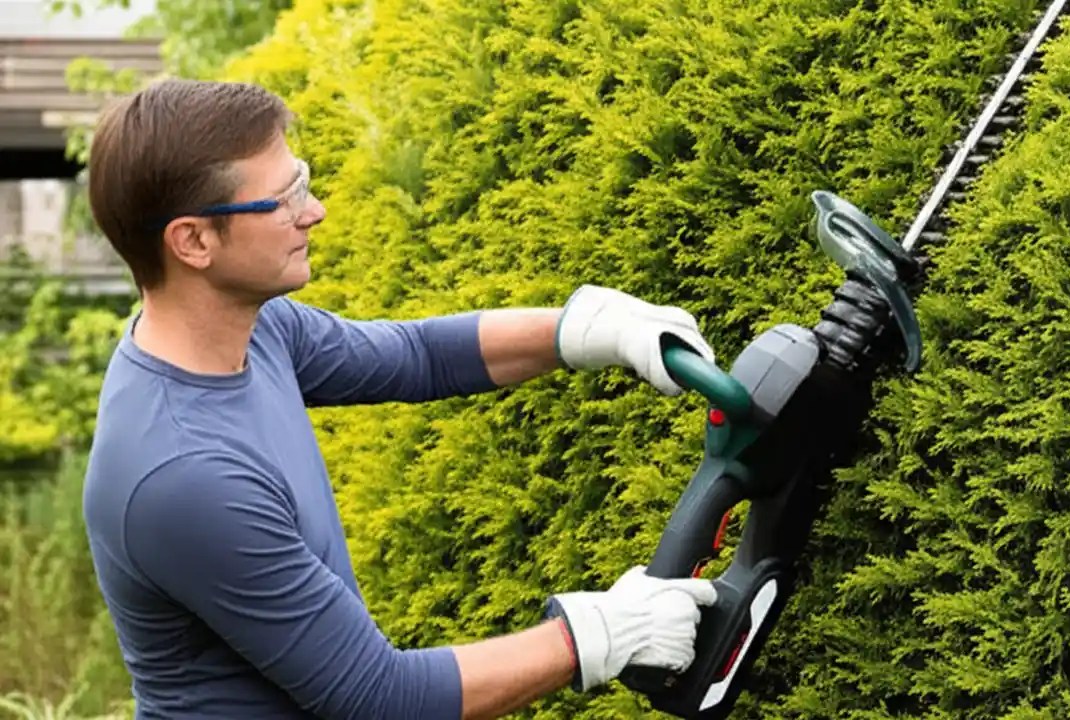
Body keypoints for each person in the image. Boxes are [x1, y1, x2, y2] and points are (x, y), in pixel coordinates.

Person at [81, 78, 720, 719]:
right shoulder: (185, 476)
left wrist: (584, 330)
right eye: (284, 199)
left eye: (300, 180)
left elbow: (417, 356)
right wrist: (602, 634)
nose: (315, 210)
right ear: (192, 241)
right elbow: (381, 698)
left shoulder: (254, 331)